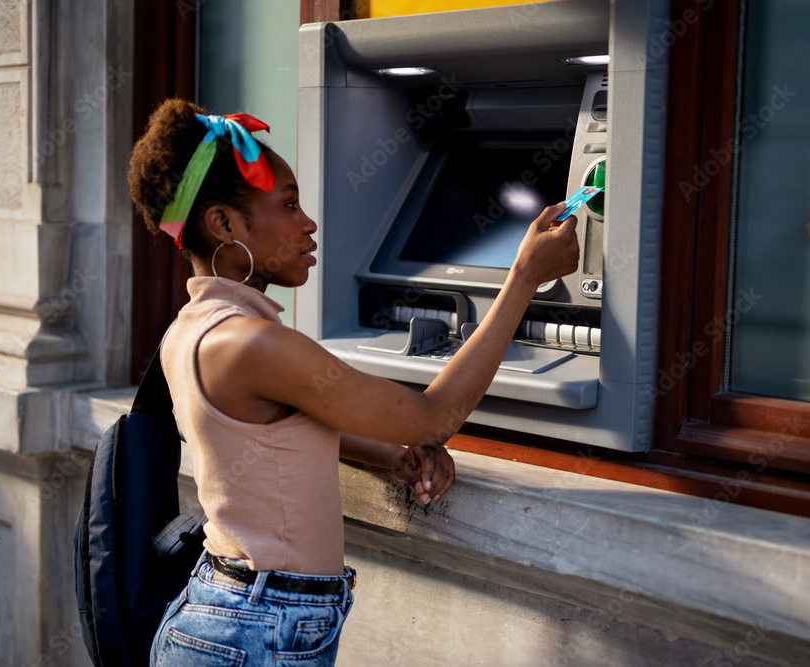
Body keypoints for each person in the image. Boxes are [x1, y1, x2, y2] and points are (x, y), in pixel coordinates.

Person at [128, 98, 578, 666]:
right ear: (223, 225)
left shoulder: (191, 331)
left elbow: (274, 434)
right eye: (288, 204)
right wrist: (524, 278)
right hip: (255, 632)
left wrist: (391, 452)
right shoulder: (252, 345)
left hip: (235, 616)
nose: (308, 222)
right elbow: (435, 417)